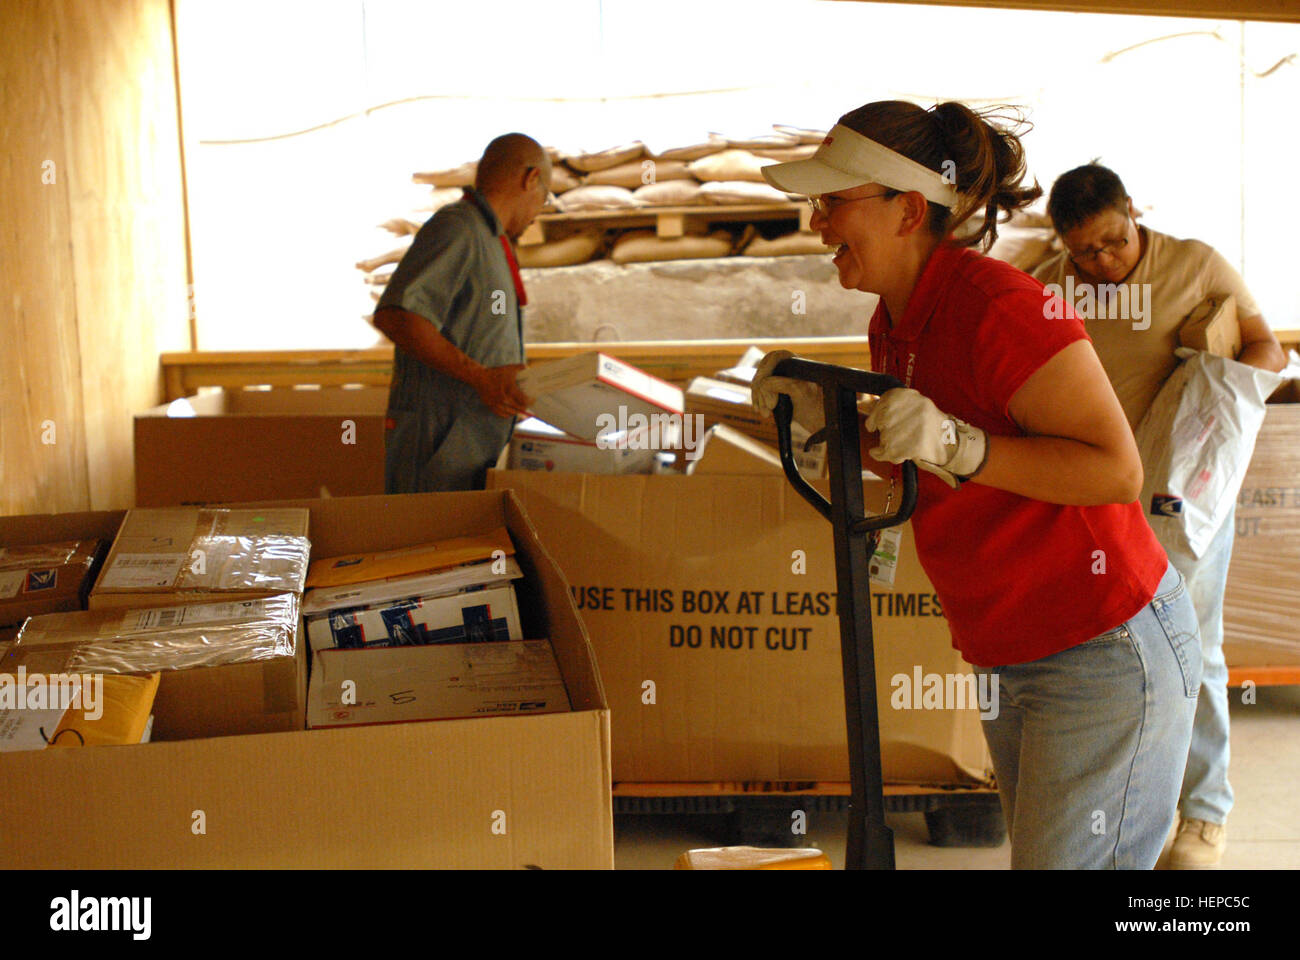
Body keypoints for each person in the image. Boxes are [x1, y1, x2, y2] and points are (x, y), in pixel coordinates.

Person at [750, 100, 1202, 869]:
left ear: (905, 209)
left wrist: (962, 445)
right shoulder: (896, 319)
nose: (818, 224)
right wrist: (825, 432)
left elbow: (1115, 470)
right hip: (1010, 649)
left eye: (834, 202)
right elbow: (918, 451)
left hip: (1101, 644)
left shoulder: (1000, 305)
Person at [1033, 164, 1286, 868]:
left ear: (1133, 214)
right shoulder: (1049, 285)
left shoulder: (1195, 265)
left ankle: (1204, 816)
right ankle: (1110, 805)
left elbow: (1267, 346)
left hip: (1178, 498)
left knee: (1191, 649)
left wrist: (1220, 406)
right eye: (1085, 251)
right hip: (1087, 500)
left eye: (1114, 241)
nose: (1104, 261)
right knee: (1091, 653)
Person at [374, 133, 552, 492]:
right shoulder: (457, 228)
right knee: (425, 542)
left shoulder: (490, 241)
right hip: (437, 442)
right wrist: (482, 378)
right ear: (530, 179)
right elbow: (397, 316)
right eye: (543, 200)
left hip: (469, 445)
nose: (537, 215)